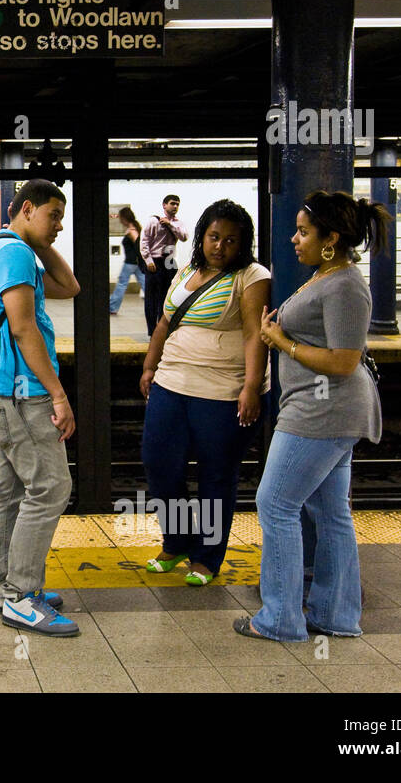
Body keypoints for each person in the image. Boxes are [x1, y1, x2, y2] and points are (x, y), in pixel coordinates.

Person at [235, 190, 391, 642]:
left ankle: (281, 619)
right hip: (324, 410)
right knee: (330, 511)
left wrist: (279, 341)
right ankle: (336, 615)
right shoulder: (328, 275)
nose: (294, 238)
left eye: (304, 231)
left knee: (276, 503)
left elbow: (344, 361)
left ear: (331, 238)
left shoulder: (344, 285)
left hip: (321, 411)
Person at [138, 200, 271, 585]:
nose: (220, 246)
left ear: (243, 243)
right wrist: (150, 365)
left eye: (231, 240)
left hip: (222, 392)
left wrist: (251, 386)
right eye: (214, 237)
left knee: (216, 476)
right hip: (170, 384)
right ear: (202, 237)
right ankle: (177, 542)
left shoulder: (252, 276)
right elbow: (164, 322)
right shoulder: (188, 271)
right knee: (160, 464)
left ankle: (207, 557)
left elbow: (253, 334)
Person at [0, 179, 81, 637]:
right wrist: (58, 394)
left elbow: (70, 286)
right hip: (21, 392)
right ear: (28, 208)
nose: (59, 225)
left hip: (1, 388)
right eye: (53, 215)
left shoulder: (12, 248)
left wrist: (40, 239)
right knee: (52, 486)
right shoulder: (13, 254)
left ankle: (1, 585)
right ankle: (21, 596)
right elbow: (22, 328)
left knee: (11, 487)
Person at [141, 194, 188, 336]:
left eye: (177, 204)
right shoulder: (153, 221)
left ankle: (163, 329)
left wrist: (170, 224)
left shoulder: (178, 223)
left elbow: (184, 237)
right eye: (172, 203)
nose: (175, 206)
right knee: (152, 298)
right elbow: (144, 241)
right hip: (155, 262)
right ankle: (152, 330)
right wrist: (148, 260)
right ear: (164, 205)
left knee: (167, 297)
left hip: (170, 262)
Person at [108, 205, 145, 315]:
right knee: (145, 284)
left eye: (120, 218)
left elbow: (139, 245)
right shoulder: (136, 227)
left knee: (121, 284)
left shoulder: (131, 230)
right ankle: (156, 304)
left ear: (124, 218)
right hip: (137, 262)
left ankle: (112, 307)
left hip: (130, 262)